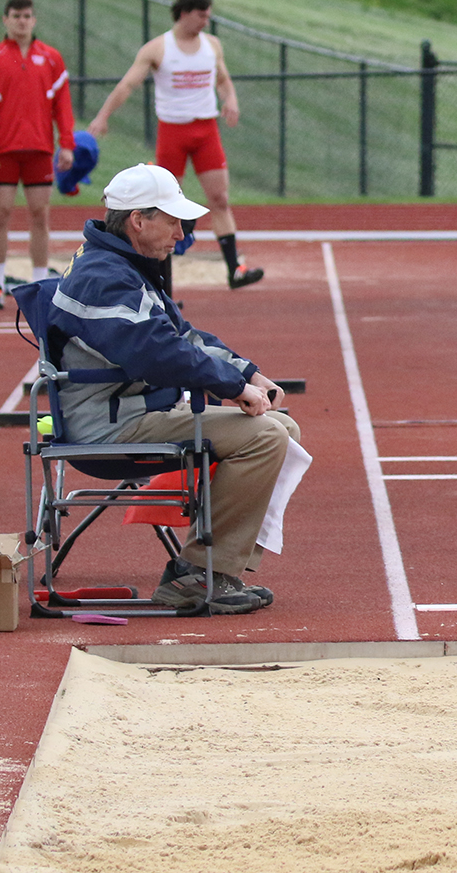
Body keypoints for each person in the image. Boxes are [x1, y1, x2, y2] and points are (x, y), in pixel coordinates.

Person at [50, 164, 299, 613]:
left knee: (282, 426)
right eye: (173, 220)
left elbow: (181, 337)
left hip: (129, 412)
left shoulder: (123, 265)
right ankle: (197, 576)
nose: (182, 232)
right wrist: (231, 386)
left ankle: (218, 572)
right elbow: (156, 353)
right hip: (109, 427)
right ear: (138, 221)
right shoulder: (103, 276)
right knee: (265, 436)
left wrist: (247, 372)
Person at [85, 0, 263, 290]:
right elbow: (129, 83)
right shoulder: (158, 48)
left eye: (208, 15)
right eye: (202, 15)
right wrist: (103, 116)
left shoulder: (212, 45)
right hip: (173, 132)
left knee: (220, 199)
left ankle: (235, 269)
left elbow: (222, 79)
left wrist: (230, 100)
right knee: (164, 206)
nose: (206, 21)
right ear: (184, 13)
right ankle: (162, 286)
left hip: (206, 131)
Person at [0, 0, 74, 310]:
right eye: (16, 15)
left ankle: (42, 281)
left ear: (34, 20)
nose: (22, 21)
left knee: (40, 215)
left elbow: (62, 106)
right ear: (5, 19)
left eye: (27, 15)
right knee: (0, 213)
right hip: (3, 151)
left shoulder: (52, 58)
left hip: (40, 149)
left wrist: (67, 143)